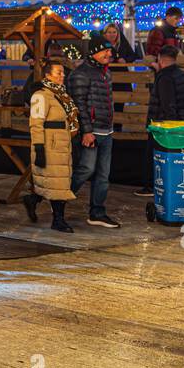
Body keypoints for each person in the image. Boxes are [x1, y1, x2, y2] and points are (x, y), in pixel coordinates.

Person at [66, 37, 120, 228]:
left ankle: (97, 212)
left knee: (103, 175)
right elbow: (78, 105)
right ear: (93, 52)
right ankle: (57, 199)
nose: (109, 54)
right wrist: (87, 131)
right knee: (86, 169)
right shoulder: (80, 74)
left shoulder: (106, 73)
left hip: (107, 131)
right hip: (91, 132)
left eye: (110, 51)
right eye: (105, 50)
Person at [23, 58, 80, 232]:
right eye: (58, 73)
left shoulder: (61, 95)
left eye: (63, 72)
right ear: (47, 75)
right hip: (50, 144)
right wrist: (39, 147)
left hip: (62, 143)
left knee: (56, 182)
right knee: (57, 184)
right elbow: (36, 123)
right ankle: (58, 220)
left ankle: (32, 200)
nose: (62, 76)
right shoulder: (41, 95)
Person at [137, 46, 184, 197]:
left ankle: (151, 187)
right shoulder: (183, 75)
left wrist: (169, 127)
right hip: (183, 124)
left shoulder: (165, 78)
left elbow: (167, 104)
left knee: (156, 157)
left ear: (161, 60)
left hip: (163, 127)